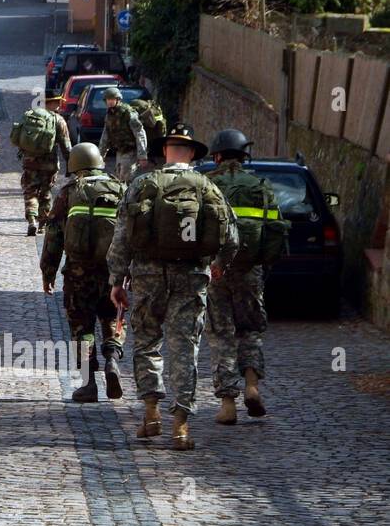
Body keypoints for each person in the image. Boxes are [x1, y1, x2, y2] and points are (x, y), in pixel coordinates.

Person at [108, 123, 238, 451]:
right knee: (185, 347)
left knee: (147, 342)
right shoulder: (208, 187)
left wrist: (117, 279)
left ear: (165, 151)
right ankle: (180, 425)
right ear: (192, 153)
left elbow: (121, 237)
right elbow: (232, 237)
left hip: (148, 276)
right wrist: (218, 264)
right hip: (191, 277)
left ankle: (151, 413)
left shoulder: (143, 184)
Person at [204, 129, 284, 425]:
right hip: (251, 270)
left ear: (218, 156)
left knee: (221, 334)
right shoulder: (261, 186)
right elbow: (274, 231)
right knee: (250, 330)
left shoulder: (208, 184)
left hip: (216, 272)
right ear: (244, 156)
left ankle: (227, 404)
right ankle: (252, 385)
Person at [41, 142, 125, 402]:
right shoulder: (119, 189)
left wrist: (48, 271)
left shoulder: (69, 192)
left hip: (78, 274)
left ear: (74, 165)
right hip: (112, 272)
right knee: (112, 320)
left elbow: (53, 234)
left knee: (82, 327)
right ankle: (112, 358)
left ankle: (89, 384)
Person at [12, 93, 71, 236]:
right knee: (45, 193)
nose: (59, 105)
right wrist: (70, 165)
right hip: (49, 164)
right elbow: (66, 146)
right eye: (58, 102)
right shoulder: (58, 120)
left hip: (30, 162)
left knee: (30, 191)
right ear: (54, 103)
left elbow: (19, 137)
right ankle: (42, 225)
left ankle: (31, 219)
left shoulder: (30, 116)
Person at [97, 87, 147, 183]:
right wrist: (100, 155)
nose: (110, 102)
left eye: (112, 99)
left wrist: (142, 156)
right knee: (119, 177)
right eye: (108, 99)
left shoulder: (128, 113)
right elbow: (105, 136)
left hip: (131, 151)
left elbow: (140, 133)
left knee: (126, 178)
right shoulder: (109, 115)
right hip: (120, 151)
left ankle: (128, 196)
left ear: (118, 99)